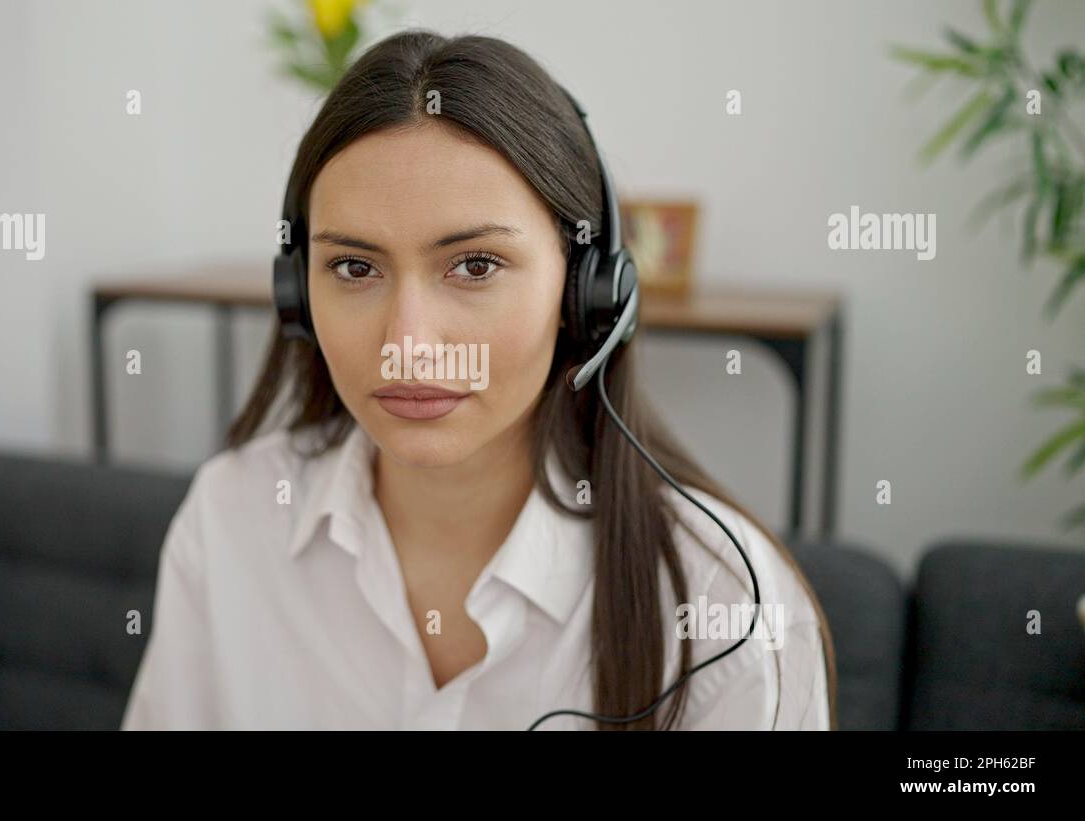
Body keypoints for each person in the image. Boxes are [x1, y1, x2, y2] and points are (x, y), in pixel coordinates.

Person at [122, 28, 835, 730]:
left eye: (475, 266)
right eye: (354, 267)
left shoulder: (729, 612)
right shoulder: (230, 520)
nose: (408, 345)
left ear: (585, 294)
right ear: (298, 294)